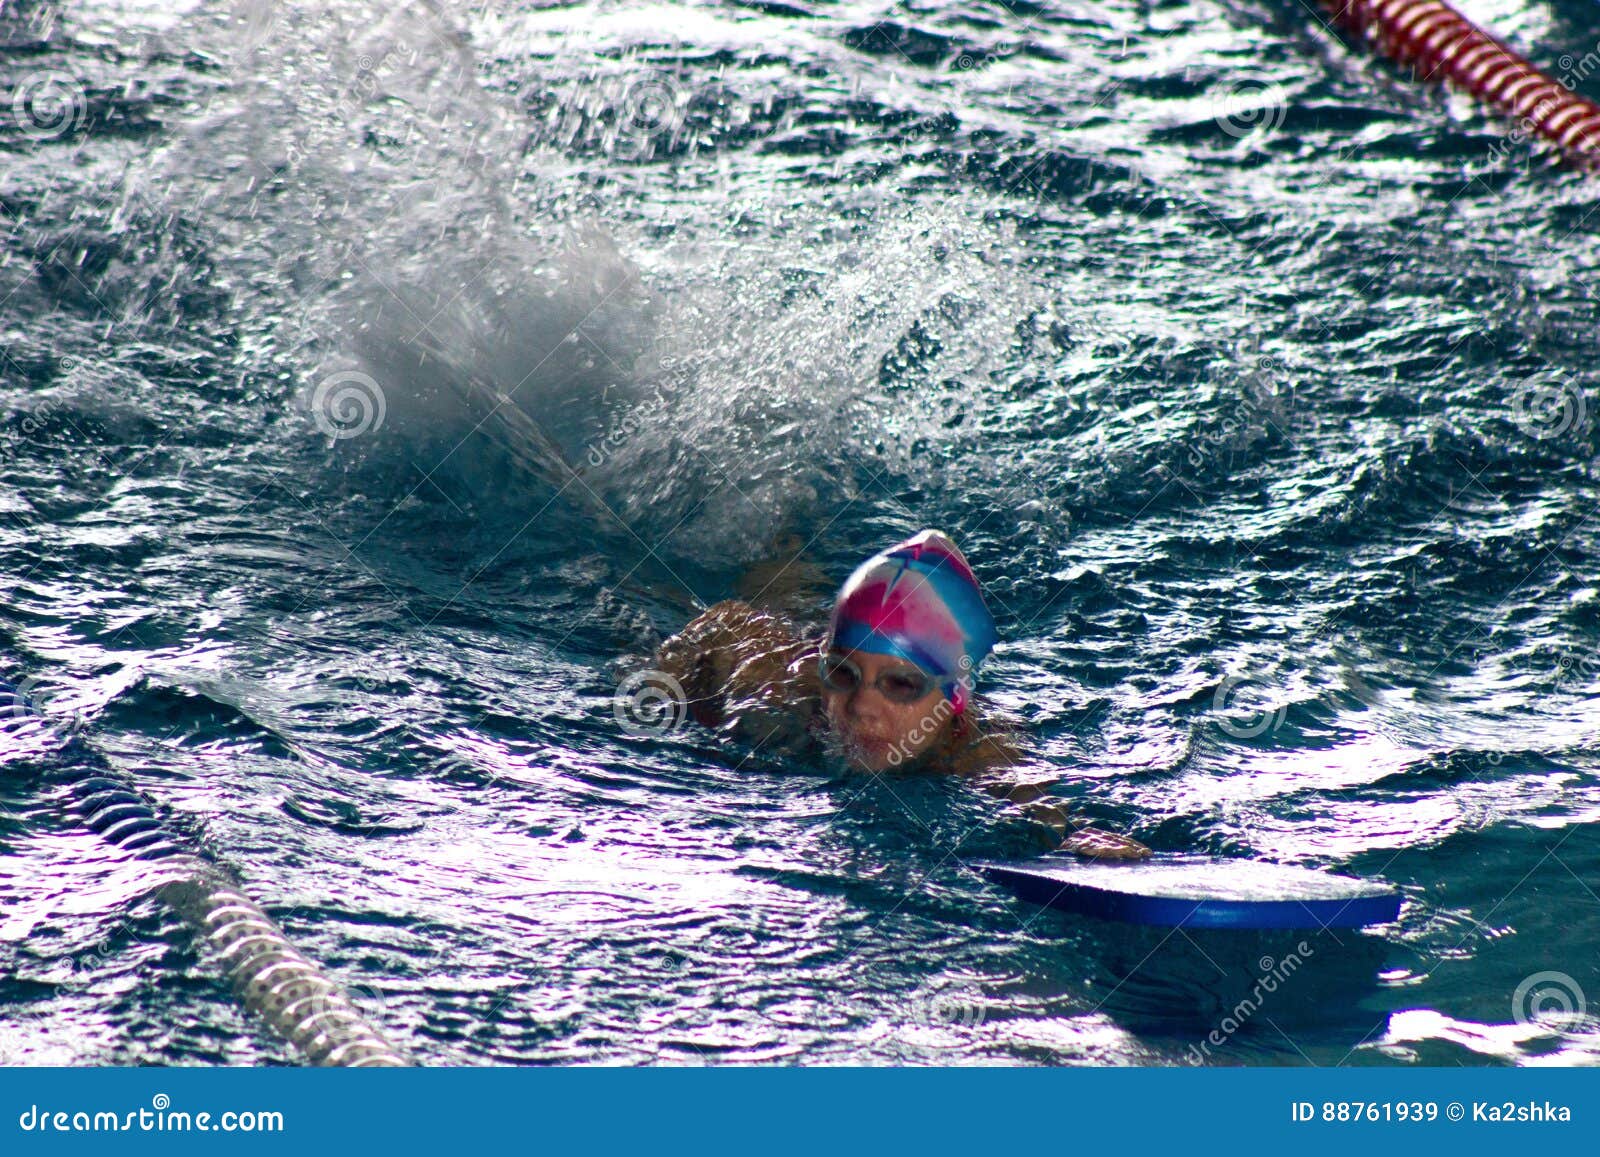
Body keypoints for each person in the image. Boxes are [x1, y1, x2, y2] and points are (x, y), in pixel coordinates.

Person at [652, 529, 1151, 859]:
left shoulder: (972, 749)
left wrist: (1072, 835)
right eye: (843, 674)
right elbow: (724, 627)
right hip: (757, 640)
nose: (862, 706)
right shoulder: (778, 687)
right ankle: (781, 537)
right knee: (772, 583)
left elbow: (1032, 797)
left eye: (900, 684)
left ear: (953, 701)